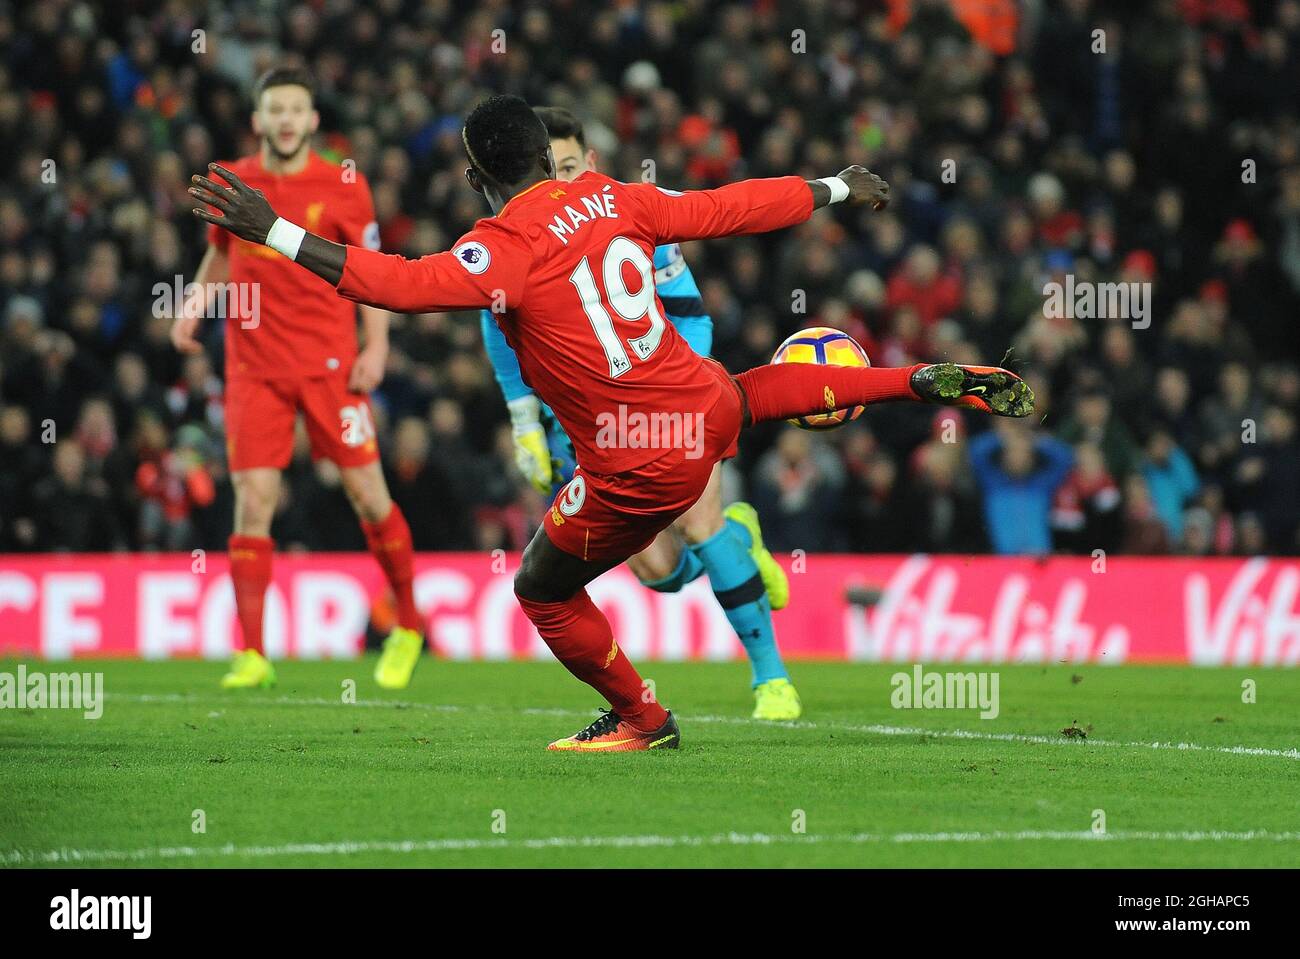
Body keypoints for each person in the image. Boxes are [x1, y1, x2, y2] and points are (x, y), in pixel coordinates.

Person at [190, 93, 1034, 750]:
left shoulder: (500, 246)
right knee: (754, 393)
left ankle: (641, 714)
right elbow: (726, 207)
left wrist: (274, 231)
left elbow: (398, 285)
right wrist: (835, 187)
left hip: (634, 458)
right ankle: (918, 379)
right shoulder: (613, 196)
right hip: (700, 401)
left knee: (542, 587)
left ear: (479, 172)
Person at [478, 107, 800, 720]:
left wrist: (669, 387)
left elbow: (695, 314)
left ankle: (771, 680)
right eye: (555, 168)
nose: (563, 180)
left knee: (701, 527)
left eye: (571, 166)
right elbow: (495, 326)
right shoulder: (516, 240)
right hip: (595, 425)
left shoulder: (622, 216)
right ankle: (744, 537)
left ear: (586, 163)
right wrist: (524, 418)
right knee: (661, 572)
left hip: (675, 403)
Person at [169, 67, 424, 690]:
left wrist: (378, 342)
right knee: (253, 502)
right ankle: (253, 654)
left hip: (331, 365)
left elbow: (367, 268)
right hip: (253, 368)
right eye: (274, 109)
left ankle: (409, 625)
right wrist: (192, 307)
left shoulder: (343, 183)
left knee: (368, 494)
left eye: (296, 109)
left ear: (312, 120)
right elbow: (220, 252)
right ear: (258, 120)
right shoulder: (236, 179)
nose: (284, 119)